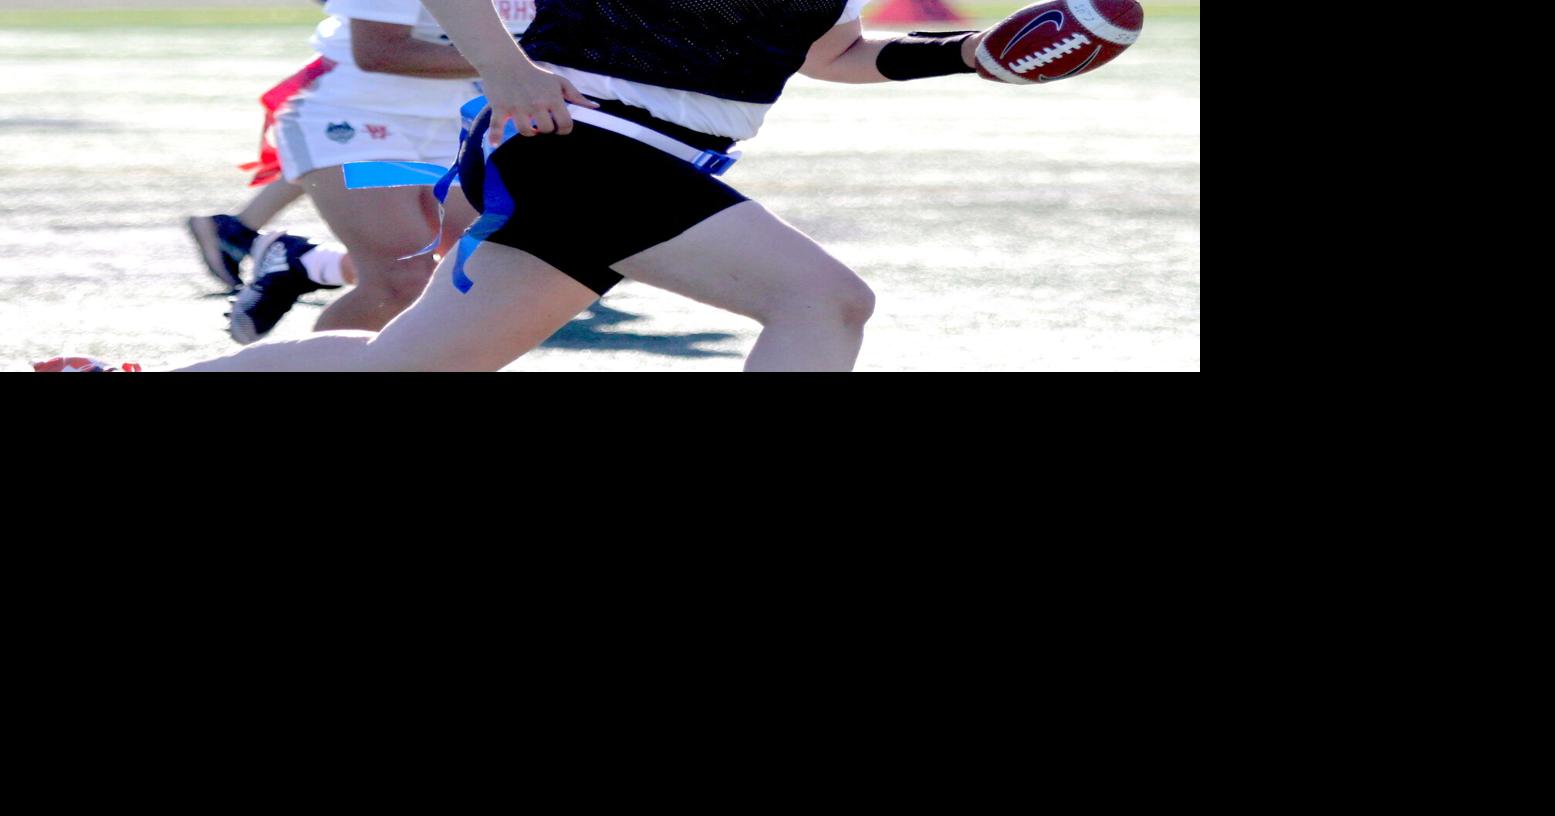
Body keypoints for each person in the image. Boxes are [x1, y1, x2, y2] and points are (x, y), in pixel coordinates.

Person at [39, 0, 999, 372]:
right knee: (825, 301)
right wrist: (500, 65)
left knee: (399, 369)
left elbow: (835, 53)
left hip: (629, 159)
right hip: (579, 143)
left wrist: (969, 53)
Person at [207, 0, 535, 345]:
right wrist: (522, 67)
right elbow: (378, 51)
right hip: (354, 115)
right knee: (402, 279)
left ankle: (307, 264)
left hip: (455, 119)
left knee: (484, 268)